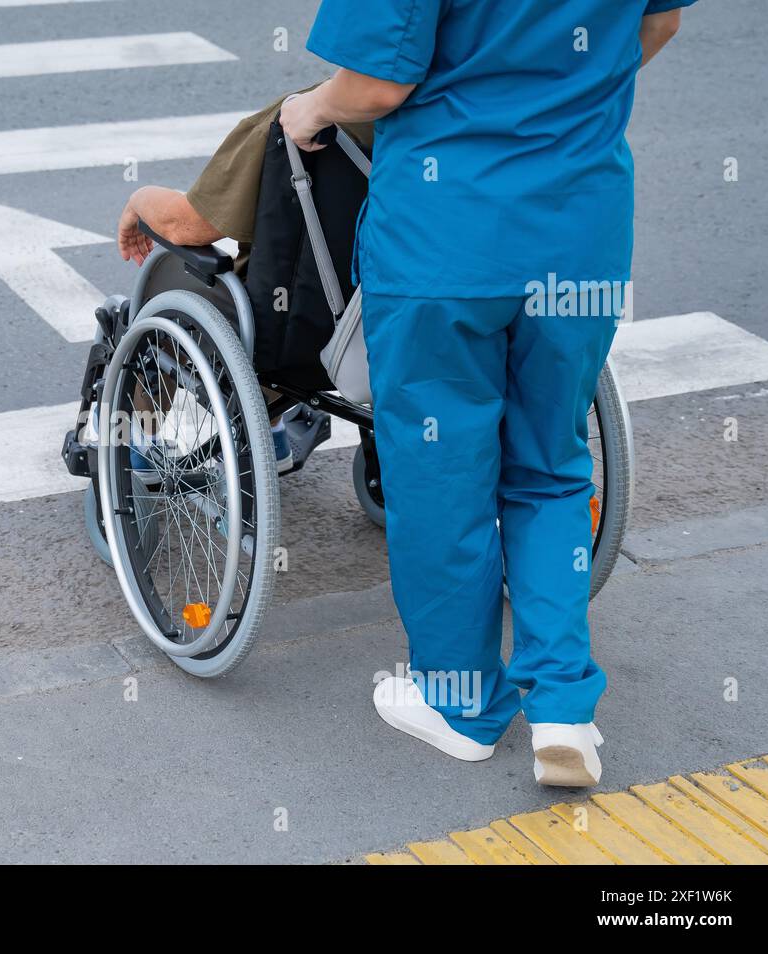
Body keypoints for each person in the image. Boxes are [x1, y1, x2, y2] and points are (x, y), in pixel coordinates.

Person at [279, 0, 693, 787]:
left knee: (440, 479)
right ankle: (565, 709)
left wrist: (310, 109)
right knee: (553, 465)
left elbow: (374, 86)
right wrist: (559, 98)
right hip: (578, 230)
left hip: (447, 238)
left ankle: (459, 705)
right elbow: (659, 24)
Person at [116, 89, 373, 472]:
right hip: (384, 326)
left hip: (288, 336)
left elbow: (184, 225)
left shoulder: (302, 114)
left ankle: (138, 443)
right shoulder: (452, 119)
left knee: (160, 288)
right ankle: (270, 434)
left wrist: (139, 201)